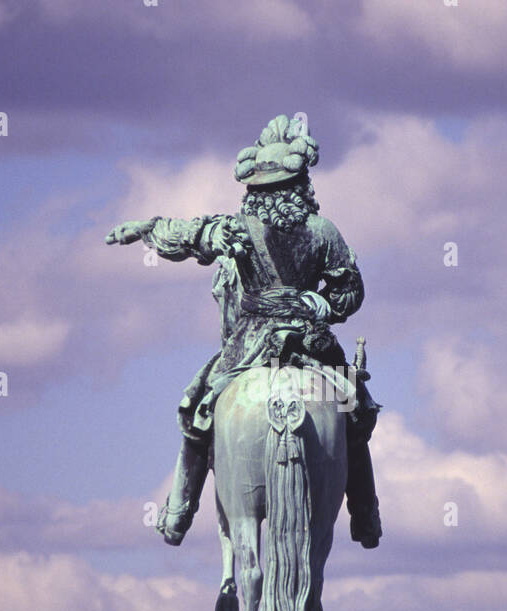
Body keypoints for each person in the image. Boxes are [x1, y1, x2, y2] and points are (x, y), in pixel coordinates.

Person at [106, 113, 382, 549]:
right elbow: (352, 288)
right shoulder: (323, 231)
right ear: (301, 185)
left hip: (249, 343)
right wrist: (323, 303)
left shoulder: (236, 229)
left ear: (254, 189)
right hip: (311, 342)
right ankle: (365, 515)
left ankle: (179, 511)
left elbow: (186, 234)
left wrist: (146, 230)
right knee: (355, 414)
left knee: (198, 408)